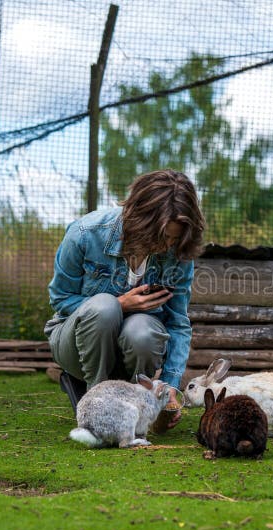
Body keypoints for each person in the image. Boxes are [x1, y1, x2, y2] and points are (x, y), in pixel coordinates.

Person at [44, 169, 205, 430]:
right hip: (75, 345)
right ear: (140, 219)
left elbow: (177, 323)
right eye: (164, 236)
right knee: (105, 307)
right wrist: (121, 304)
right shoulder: (85, 233)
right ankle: (96, 396)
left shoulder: (178, 253)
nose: (168, 245)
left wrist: (171, 384)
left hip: (132, 351)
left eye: (176, 237)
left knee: (142, 329)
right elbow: (61, 299)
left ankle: (134, 404)